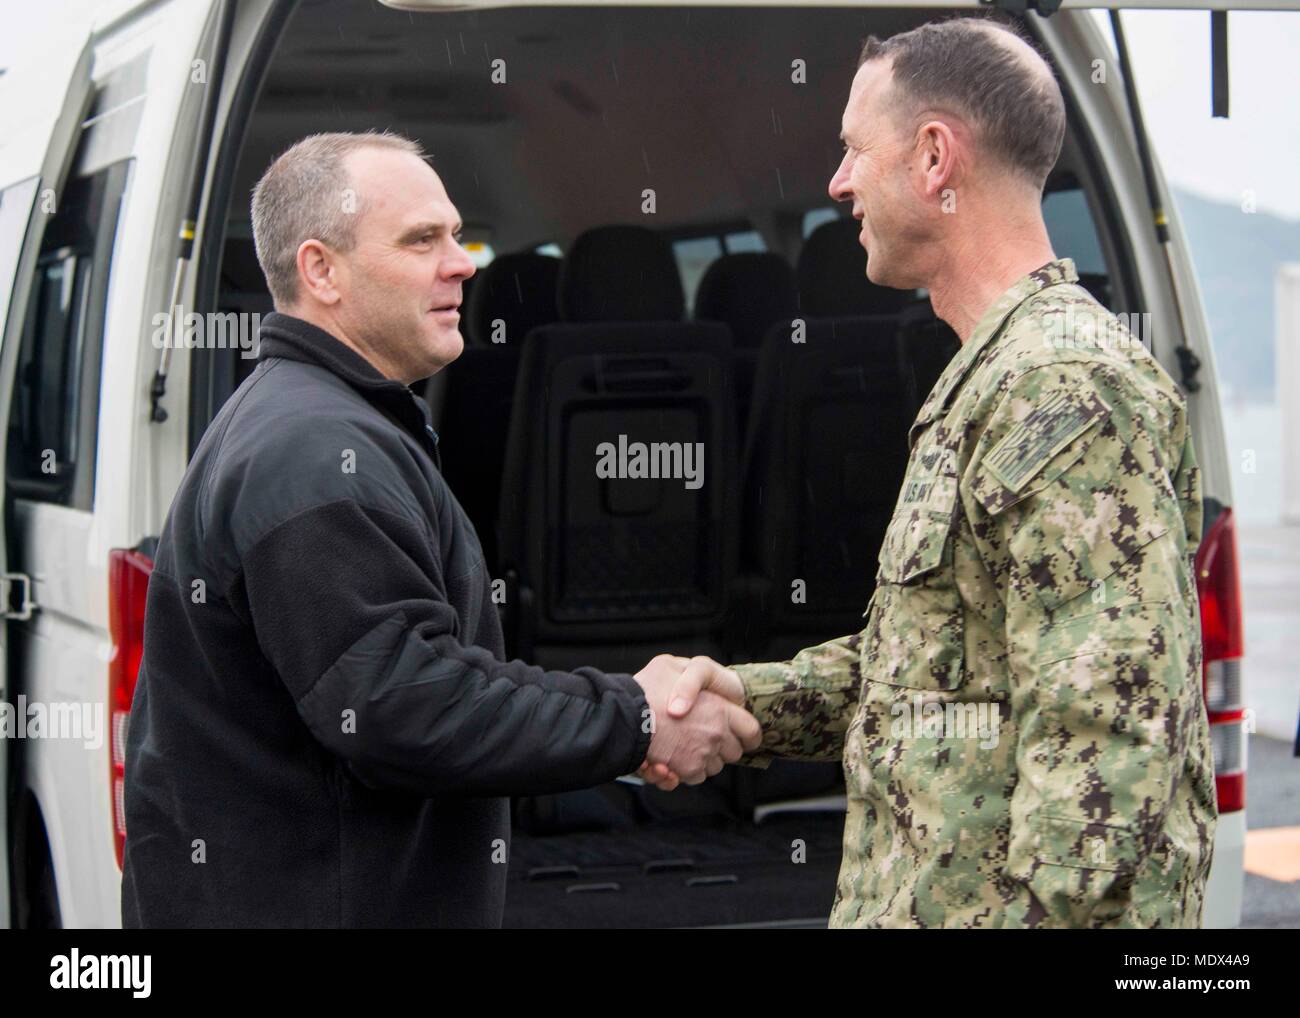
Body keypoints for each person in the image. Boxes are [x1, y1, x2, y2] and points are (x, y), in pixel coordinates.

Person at [643, 17, 1217, 928]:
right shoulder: (993, 377)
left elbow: (1107, 773)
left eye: (853, 150)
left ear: (935, 157)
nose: (837, 184)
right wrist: (742, 698)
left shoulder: (1062, 389)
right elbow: (929, 673)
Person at [121, 131, 760, 928]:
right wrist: (632, 718)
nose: (463, 263)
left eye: (458, 236)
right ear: (321, 270)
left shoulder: (332, 419)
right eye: (423, 240)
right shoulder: (311, 452)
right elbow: (403, 706)